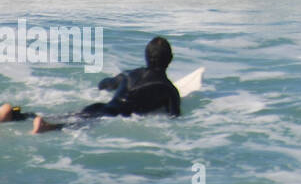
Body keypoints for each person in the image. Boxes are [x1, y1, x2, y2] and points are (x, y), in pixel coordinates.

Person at [0, 37, 182, 134]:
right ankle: (47, 127)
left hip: (104, 106)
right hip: (117, 116)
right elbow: (174, 117)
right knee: (75, 125)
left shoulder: (130, 74)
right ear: (170, 60)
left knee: (72, 115)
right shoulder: (169, 90)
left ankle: (15, 115)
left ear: (146, 57)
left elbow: (105, 84)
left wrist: (107, 84)